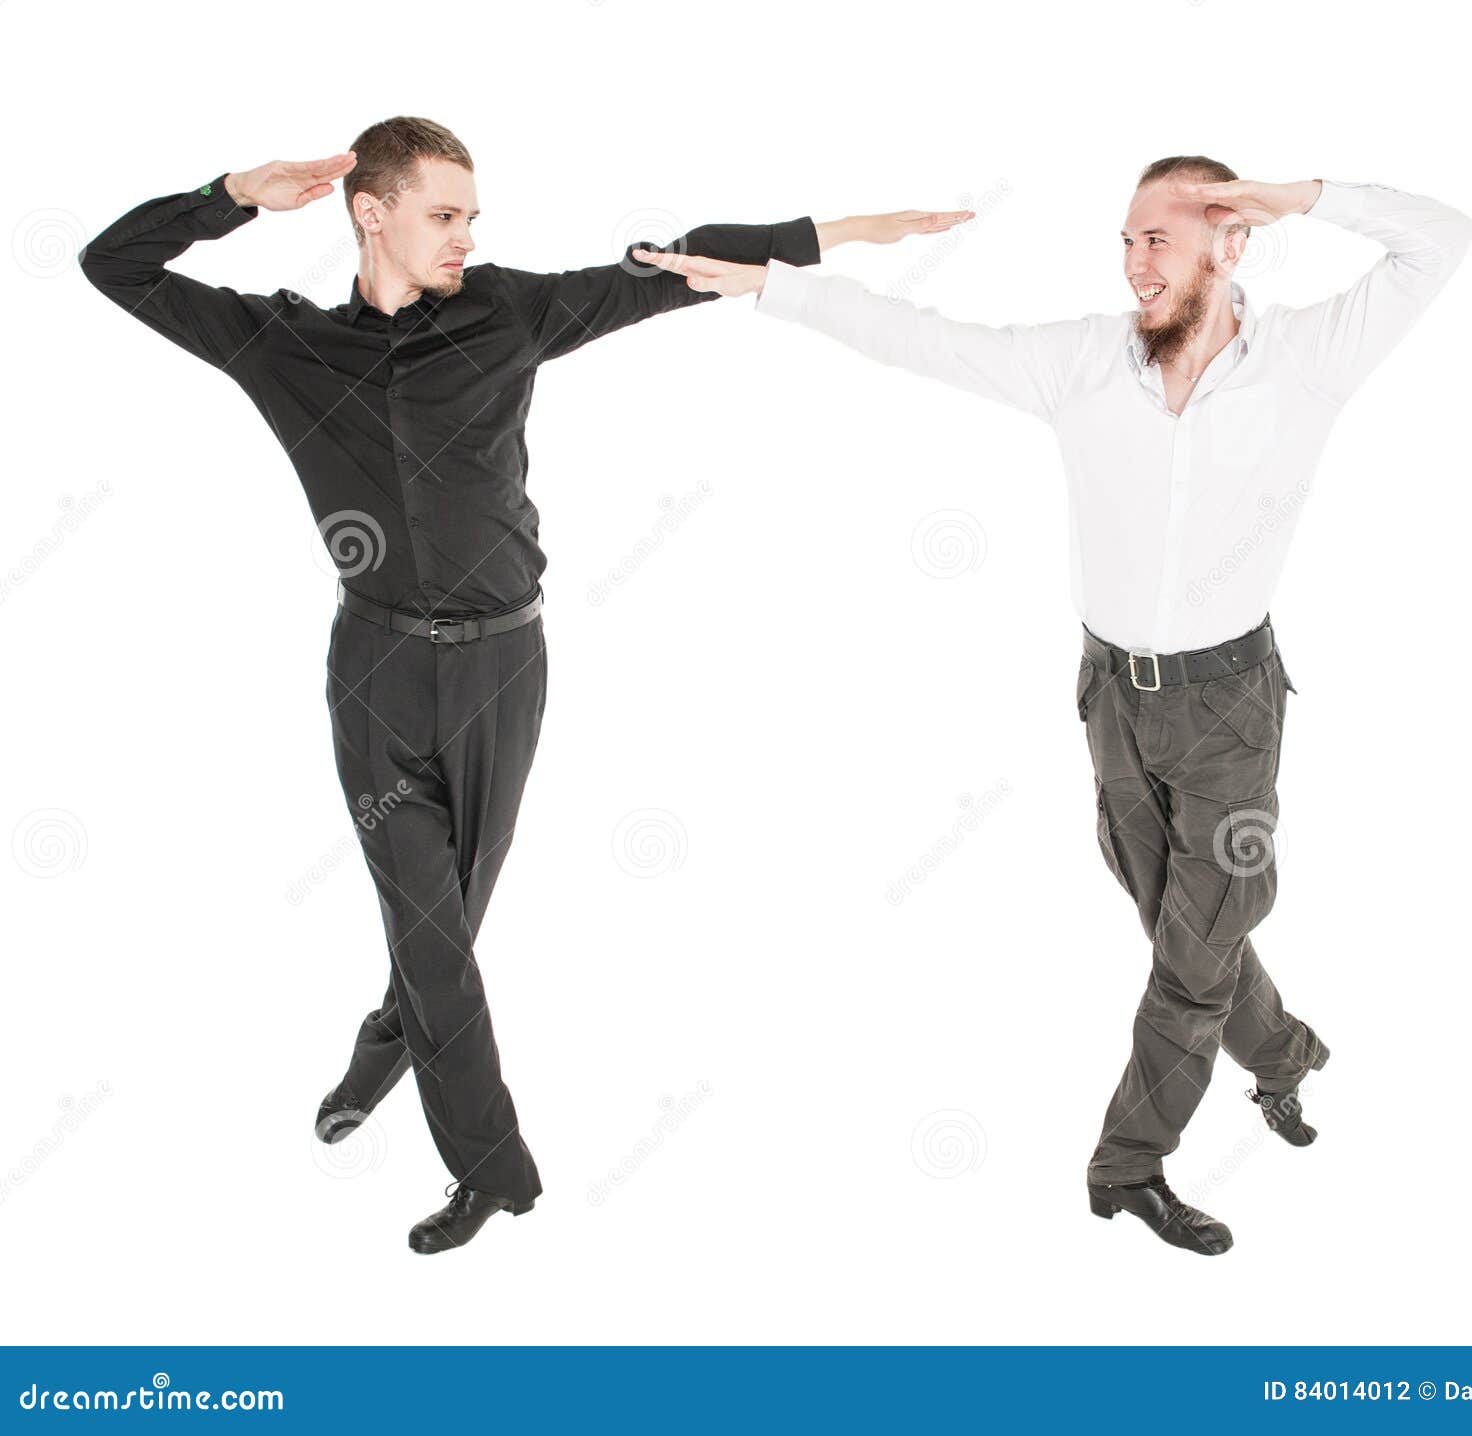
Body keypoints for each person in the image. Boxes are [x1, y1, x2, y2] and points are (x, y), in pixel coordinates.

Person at [77, 115, 969, 1254]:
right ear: (371, 211)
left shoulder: (505, 311)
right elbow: (116, 264)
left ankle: (383, 1045)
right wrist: (232, 192)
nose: (462, 236)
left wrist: (829, 233)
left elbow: (664, 266)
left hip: (508, 663)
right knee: (434, 933)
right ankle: (493, 1171)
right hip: (377, 672)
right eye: (442, 215)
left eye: (470, 218)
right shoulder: (281, 344)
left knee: (448, 920)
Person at [632, 157, 1472, 1255]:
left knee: (1192, 951)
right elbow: (918, 337)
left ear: (1229, 245)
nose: (1133, 264)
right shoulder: (1083, 361)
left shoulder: (1311, 358)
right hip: (1111, 697)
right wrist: (768, 283)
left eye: (1156, 241)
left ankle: (1129, 1164)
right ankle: (1284, 1053)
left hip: (1231, 705)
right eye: (1125, 241)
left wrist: (1303, 196)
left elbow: (1443, 236)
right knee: (1181, 920)